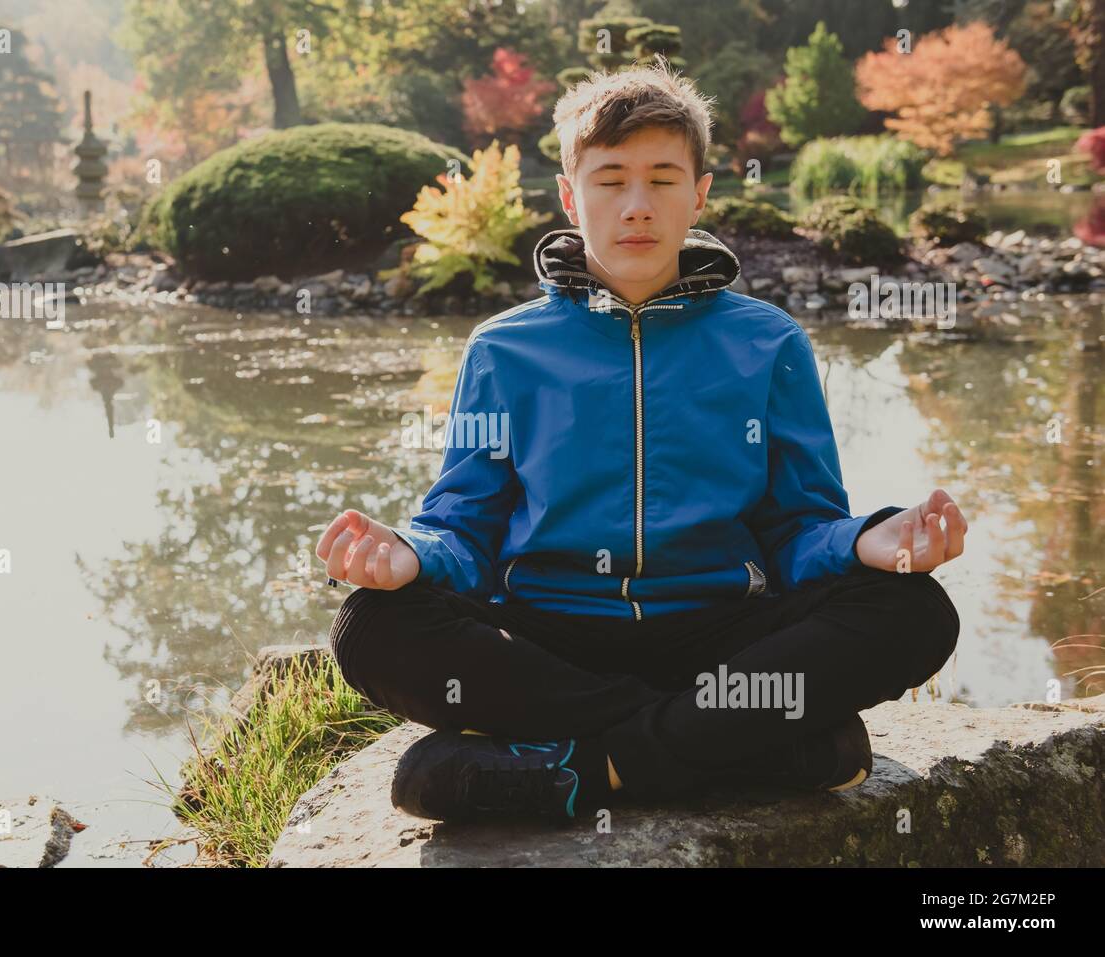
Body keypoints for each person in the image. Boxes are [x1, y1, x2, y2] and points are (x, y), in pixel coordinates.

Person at [315, 56, 966, 825]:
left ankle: (593, 763)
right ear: (569, 195)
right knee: (371, 625)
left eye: (662, 179)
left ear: (699, 194)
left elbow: (797, 530)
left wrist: (865, 541)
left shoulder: (769, 343)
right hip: (550, 646)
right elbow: (467, 525)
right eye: (610, 178)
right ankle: (728, 741)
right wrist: (412, 553)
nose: (636, 206)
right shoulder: (503, 349)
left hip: (719, 638)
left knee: (916, 611)